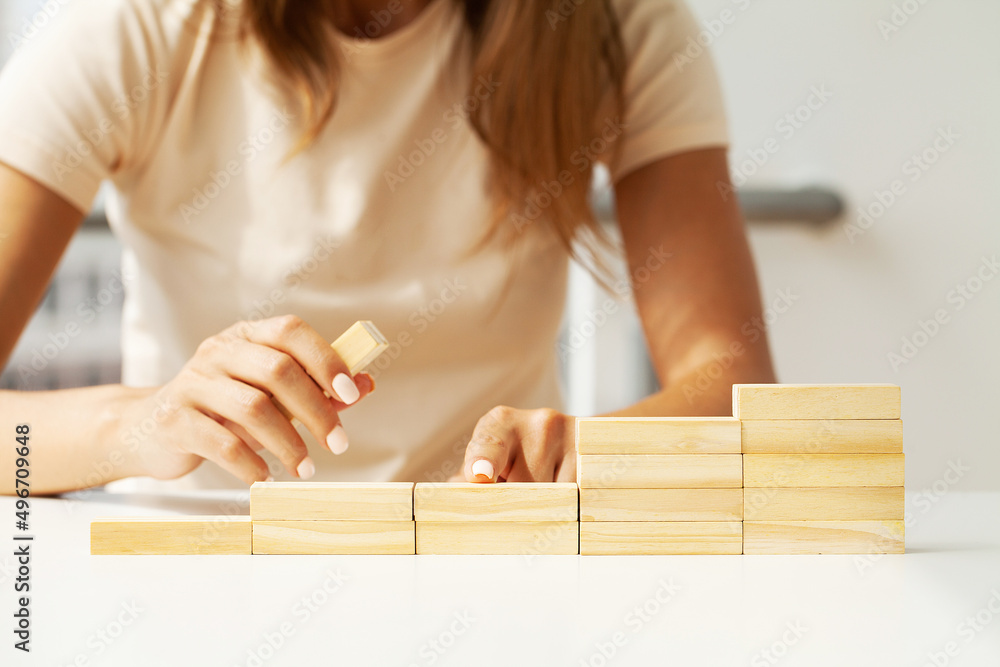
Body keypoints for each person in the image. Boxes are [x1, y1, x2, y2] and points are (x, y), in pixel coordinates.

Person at [0, 0, 775, 495]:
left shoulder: (616, 27)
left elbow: (736, 385)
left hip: (487, 568)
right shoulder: (131, 28)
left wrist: (596, 449)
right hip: (206, 577)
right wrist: (144, 423)